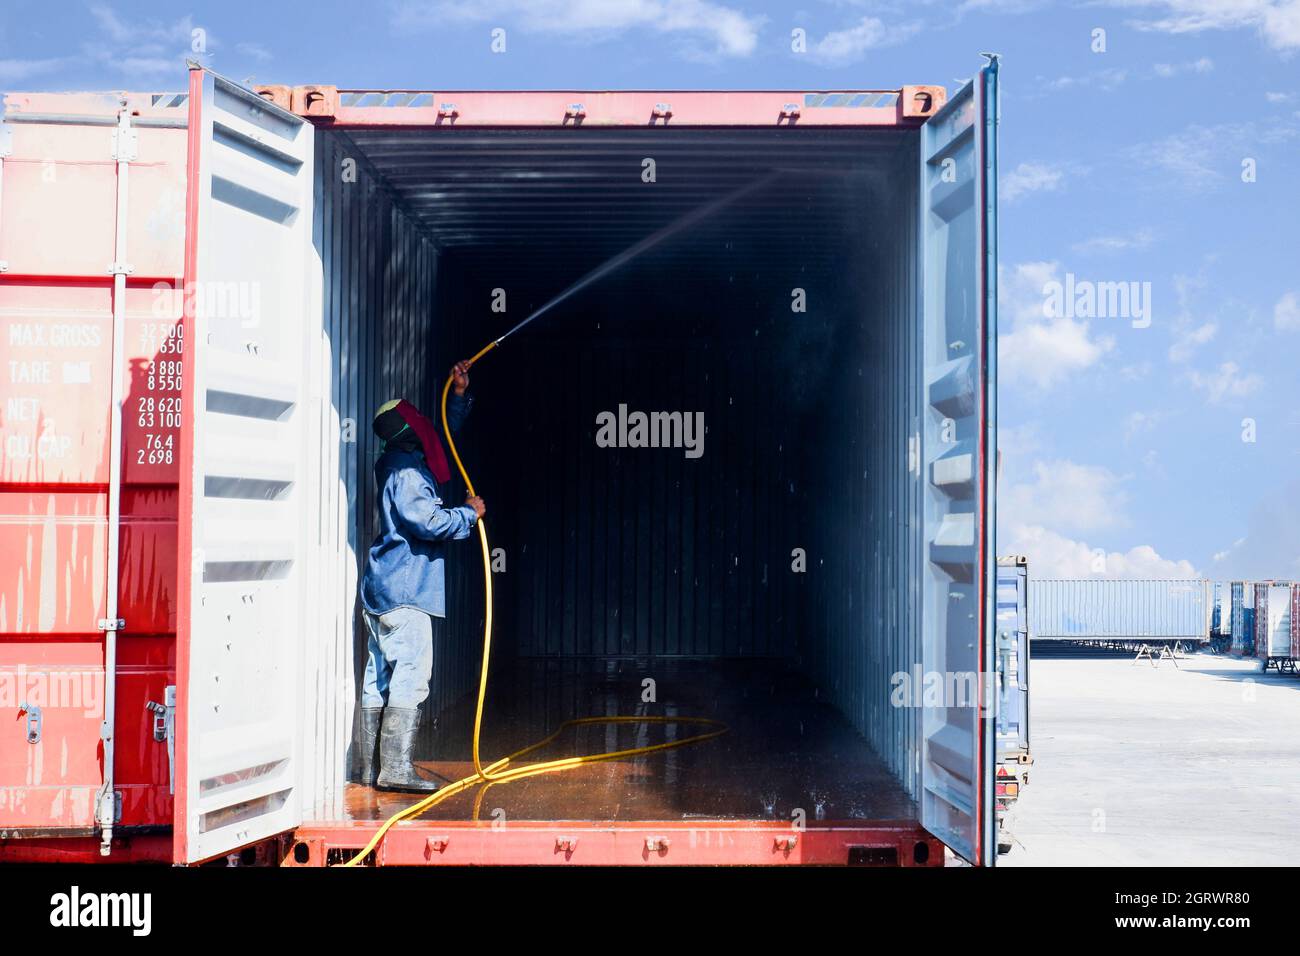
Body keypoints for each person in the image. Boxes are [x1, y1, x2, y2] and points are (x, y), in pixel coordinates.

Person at [356, 361, 486, 792]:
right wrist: (468, 513)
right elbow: (428, 521)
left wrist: (459, 398)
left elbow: (440, 441)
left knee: (379, 680)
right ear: (409, 432)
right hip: (406, 590)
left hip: (381, 589)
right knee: (412, 674)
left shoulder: (397, 462)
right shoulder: (409, 473)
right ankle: (395, 770)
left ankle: (369, 769)